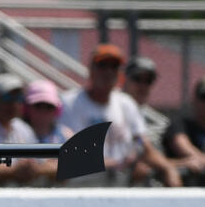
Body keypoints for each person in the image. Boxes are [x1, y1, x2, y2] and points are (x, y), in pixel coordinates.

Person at [60, 44, 175, 185]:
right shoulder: (70, 102)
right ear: (90, 70)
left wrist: (167, 168)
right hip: (82, 185)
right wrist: (111, 163)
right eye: (102, 65)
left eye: (114, 66)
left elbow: (140, 141)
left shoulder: (126, 103)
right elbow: (67, 148)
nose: (108, 71)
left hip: (119, 183)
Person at [0, 73, 53, 185]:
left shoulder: (23, 128)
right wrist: (14, 171)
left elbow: (41, 163)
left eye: (19, 98)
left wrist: (35, 169)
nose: (14, 104)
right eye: (7, 97)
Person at [121, 55, 181, 187]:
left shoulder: (160, 121)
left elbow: (147, 150)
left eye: (148, 81)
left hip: (156, 189)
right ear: (124, 80)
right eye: (137, 79)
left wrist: (172, 166)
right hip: (119, 185)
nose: (142, 85)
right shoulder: (113, 112)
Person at [162, 76, 205, 185]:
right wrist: (202, 160)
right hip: (186, 188)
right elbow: (182, 146)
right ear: (195, 99)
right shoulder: (180, 123)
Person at [23, 79, 72, 145]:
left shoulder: (66, 137)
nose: (43, 111)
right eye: (38, 105)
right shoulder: (16, 133)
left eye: (49, 106)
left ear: (57, 110)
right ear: (27, 108)